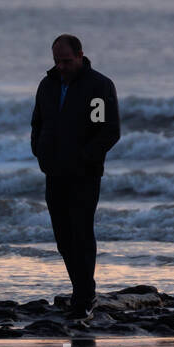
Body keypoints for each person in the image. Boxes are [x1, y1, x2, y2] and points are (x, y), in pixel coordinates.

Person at [30, 34, 120, 323]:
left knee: (81, 232)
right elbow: (38, 123)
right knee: (63, 237)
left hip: (84, 174)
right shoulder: (47, 85)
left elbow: (108, 131)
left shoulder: (98, 86)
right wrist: (40, 152)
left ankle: (84, 296)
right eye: (57, 61)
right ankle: (80, 291)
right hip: (54, 172)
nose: (62, 66)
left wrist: (84, 158)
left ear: (81, 55)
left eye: (67, 61)